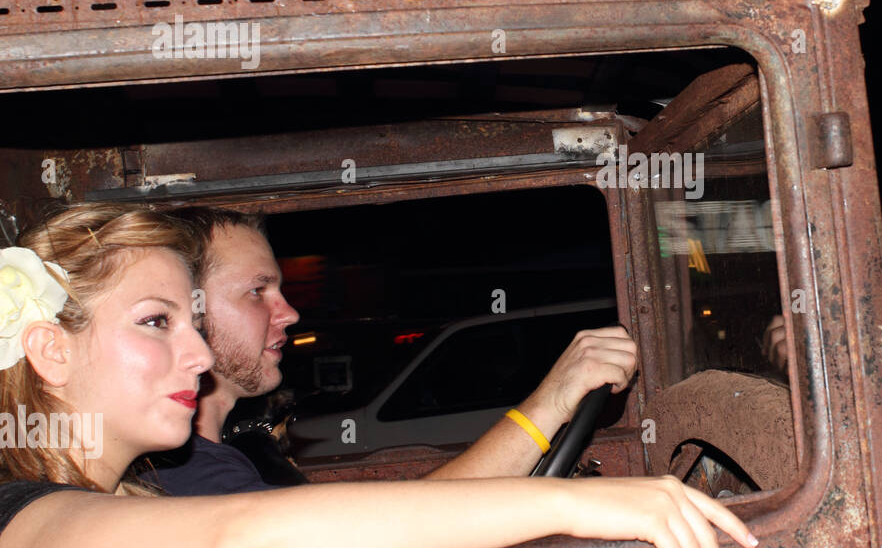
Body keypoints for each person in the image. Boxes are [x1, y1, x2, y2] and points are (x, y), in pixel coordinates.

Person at [0, 203, 756, 548]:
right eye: (156, 323)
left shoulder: (141, 488)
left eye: (192, 324)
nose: (195, 357)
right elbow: (239, 546)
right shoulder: (22, 519)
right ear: (51, 351)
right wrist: (576, 509)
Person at [148, 207, 642, 494]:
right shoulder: (197, 478)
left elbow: (395, 523)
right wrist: (551, 401)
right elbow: (403, 531)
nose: (290, 312)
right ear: (187, 307)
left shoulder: (227, 454)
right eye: (258, 291)